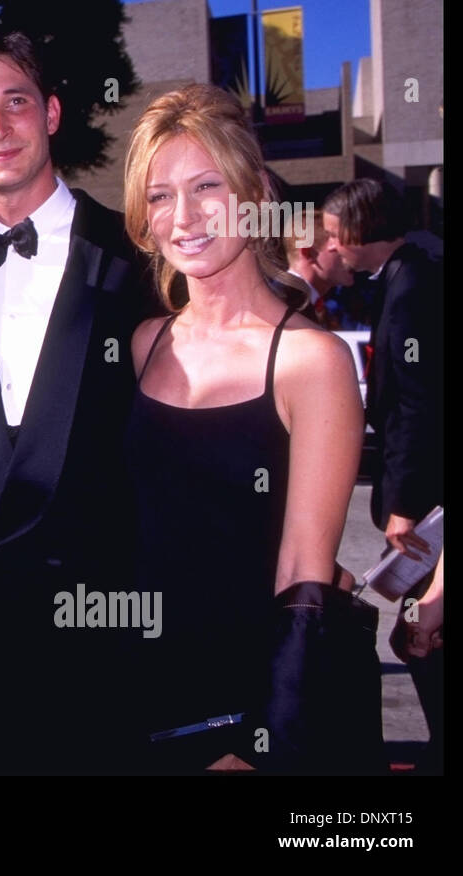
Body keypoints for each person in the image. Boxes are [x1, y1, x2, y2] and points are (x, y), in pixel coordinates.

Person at [0, 30, 155, 774]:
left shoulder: (140, 260)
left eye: (16, 102)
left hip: (110, 636)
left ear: (51, 113)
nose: (0, 127)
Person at [123, 83, 378, 773]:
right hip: (135, 703)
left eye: (207, 185)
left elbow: (305, 575)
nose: (185, 216)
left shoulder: (311, 361)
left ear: (256, 193)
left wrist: (259, 745)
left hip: (250, 716)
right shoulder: (143, 344)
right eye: (159, 195)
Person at [323, 177, 444, 773]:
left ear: (356, 227)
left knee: (424, 635)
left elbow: (418, 404)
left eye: (331, 233)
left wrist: (402, 504)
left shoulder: (413, 282)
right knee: (419, 632)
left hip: (424, 512)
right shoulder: (409, 273)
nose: (330, 247)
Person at [280, 205, 352, 328]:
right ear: (308, 253)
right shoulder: (280, 302)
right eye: (339, 248)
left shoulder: (299, 301)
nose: (350, 255)